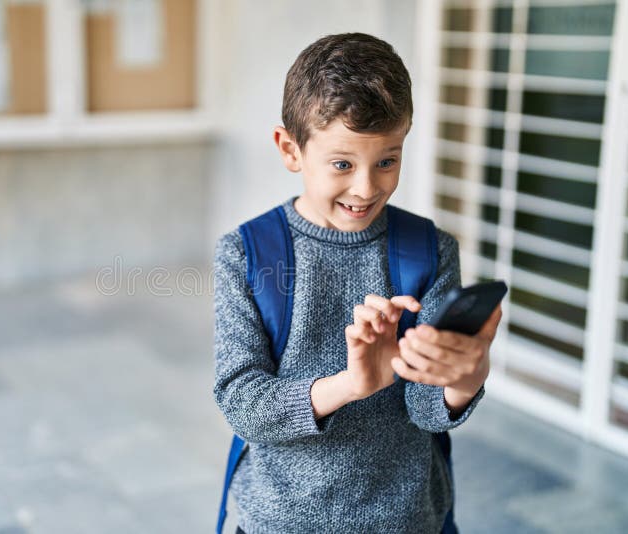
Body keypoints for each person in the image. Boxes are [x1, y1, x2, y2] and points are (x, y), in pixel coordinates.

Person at [212, 32, 502, 533]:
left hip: (406, 521)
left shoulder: (430, 250)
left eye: (387, 160)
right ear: (290, 148)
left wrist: (463, 379)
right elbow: (243, 403)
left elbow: (429, 411)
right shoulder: (246, 254)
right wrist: (351, 385)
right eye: (343, 164)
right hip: (281, 523)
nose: (367, 188)